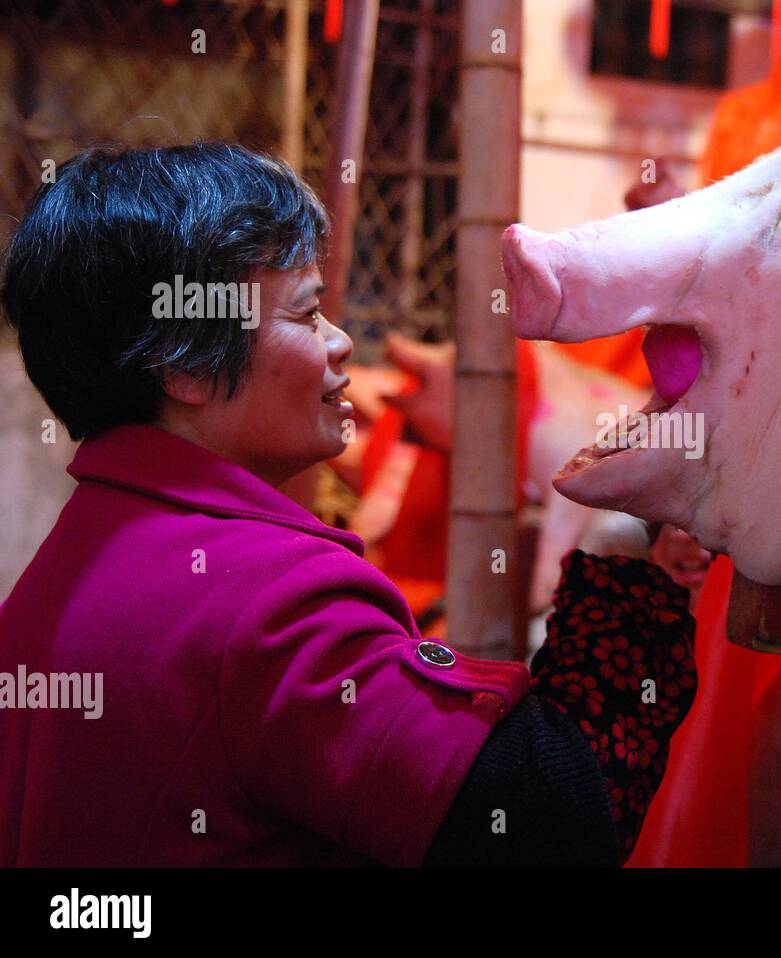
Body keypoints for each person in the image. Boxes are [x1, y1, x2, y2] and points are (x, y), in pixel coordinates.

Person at [0, 143, 695, 867]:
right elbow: (548, 822)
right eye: (305, 314)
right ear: (186, 365)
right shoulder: (268, 607)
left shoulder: (53, 579)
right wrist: (622, 547)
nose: (339, 343)